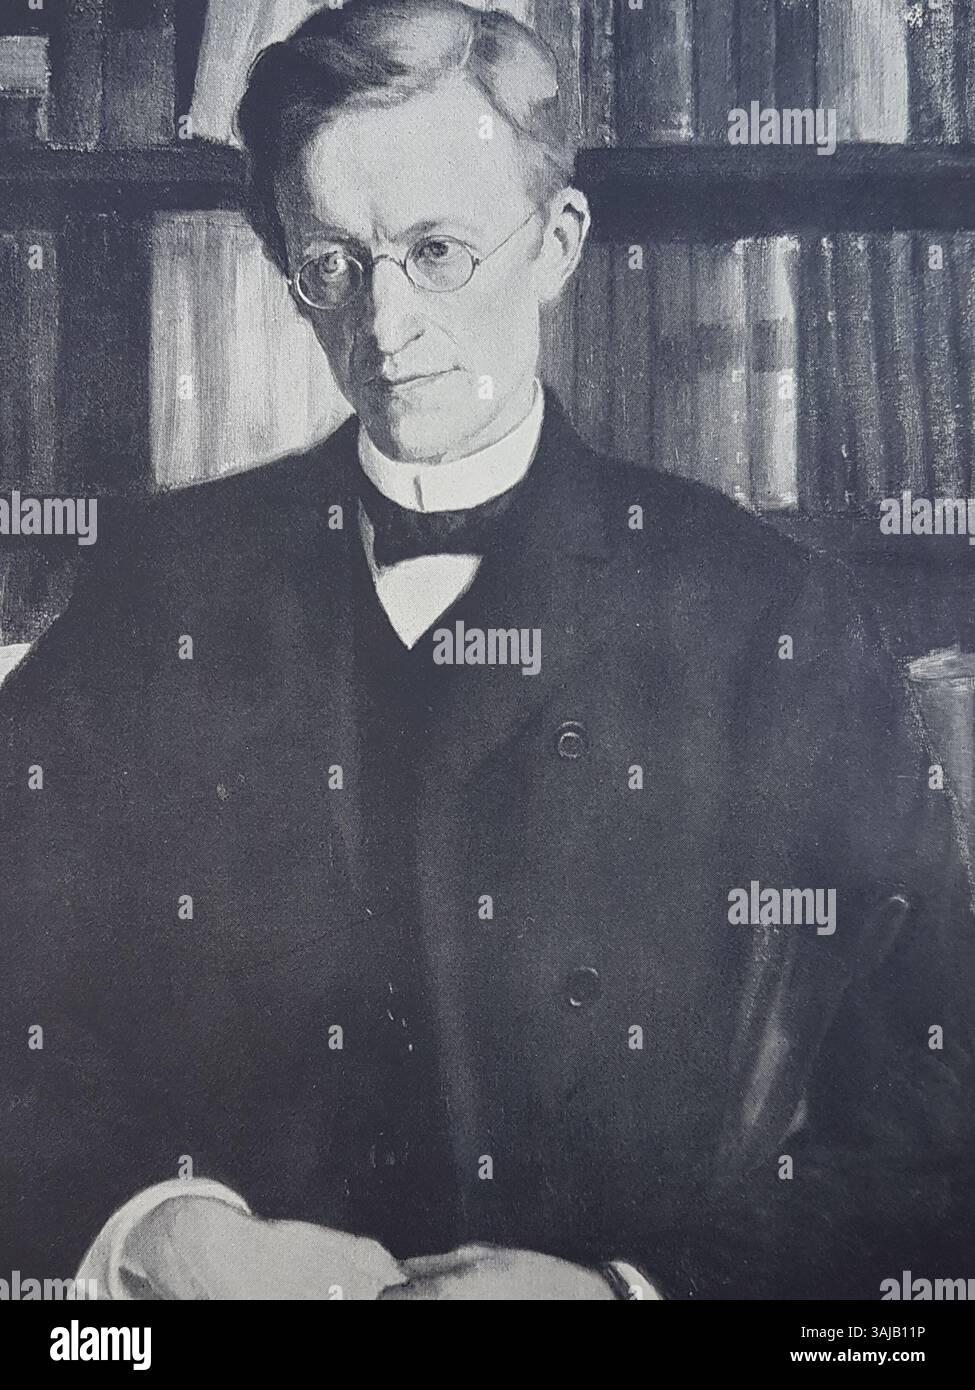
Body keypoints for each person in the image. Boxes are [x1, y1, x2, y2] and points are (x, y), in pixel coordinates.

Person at [1, 0, 972, 1300]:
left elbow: (936, 1113)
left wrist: (634, 1296)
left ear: (558, 241)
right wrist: (157, 1231)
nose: (385, 325)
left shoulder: (776, 622)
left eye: (439, 252)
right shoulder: (152, 592)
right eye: (333, 264)